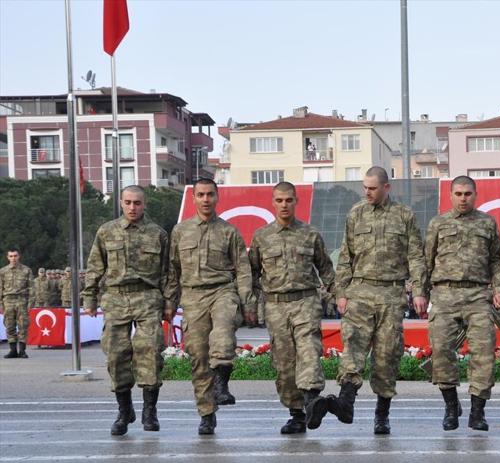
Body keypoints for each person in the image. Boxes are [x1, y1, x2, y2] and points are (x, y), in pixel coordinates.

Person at [331, 166, 428, 435]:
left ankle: (382, 414)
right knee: (353, 347)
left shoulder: (404, 215)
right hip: (360, 292)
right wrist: (341, 292)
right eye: (365, 187)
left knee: (387, 356)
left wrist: (419, 290)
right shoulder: (355, 213)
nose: (367, 192)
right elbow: (346, 257)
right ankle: (346, 403)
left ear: (387, 187)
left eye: (372, 188)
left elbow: (416, 256)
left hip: (391, 294)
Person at [164, 178, 257, 435]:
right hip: (193, 297)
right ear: (194, 198)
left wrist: (247, 302)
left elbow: (243, 270)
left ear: (217, 198)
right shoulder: (180, 231)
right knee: (198, 356)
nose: (206, 200)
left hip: (222, 291)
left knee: (224, 331)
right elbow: (172, 270)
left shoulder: (229, 232)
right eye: (201, 195)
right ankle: (207, 413)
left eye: (210, 195)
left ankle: (222, 385)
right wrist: (170, 302)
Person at [249, 181, 336, 434]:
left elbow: (326, 270)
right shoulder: (261, 237)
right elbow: (252, 273)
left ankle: (311, 402)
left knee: (309, 351)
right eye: (279, 200)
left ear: (296, 201)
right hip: (276, 306)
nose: (284, 205)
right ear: (272, 202)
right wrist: (252, 303)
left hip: (305, 302)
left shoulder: (310, 234)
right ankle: (297, 414)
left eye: (288, 200)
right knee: (284, 364)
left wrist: (338, 296)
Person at [82, 186, 169, 435]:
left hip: (147, 297)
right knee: (116, 355)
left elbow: (167, 273)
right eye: (128, 202)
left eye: (138, 203)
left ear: (145, 204)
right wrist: (89, 297)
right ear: (121, 203)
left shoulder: (158, 234)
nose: (133, 207)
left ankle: (150, 412)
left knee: (150, 352)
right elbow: (95, 265)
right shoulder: (107, 231)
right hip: (116, 298)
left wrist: (170, 302)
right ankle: (124, 411)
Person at [424, 175, 500, 431]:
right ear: (450, 196)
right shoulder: (438, 223)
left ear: (475, 194)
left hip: (477, 296)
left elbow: (496, 260)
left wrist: (499, 288)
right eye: (458, 194)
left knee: (483, 354)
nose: (463, 198)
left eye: (467, 194)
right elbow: (427, 260)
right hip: (445, 295)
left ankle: (477, 412)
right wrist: (420, 292)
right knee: (441, 352)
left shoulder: (487, 223)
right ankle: (451, 408)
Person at [0, 248, 34, 359]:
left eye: (15, 256)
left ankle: (22, 351)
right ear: (7, 257)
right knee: (9, 326)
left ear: (19, 256)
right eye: (11, 256)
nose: (13, 258)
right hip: (8, 301)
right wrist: (1, 304)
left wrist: (30, 303)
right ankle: (13, 350)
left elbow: (31, 288)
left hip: (22, 301)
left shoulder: (26, 270)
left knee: (23, 326)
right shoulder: (3, 271)